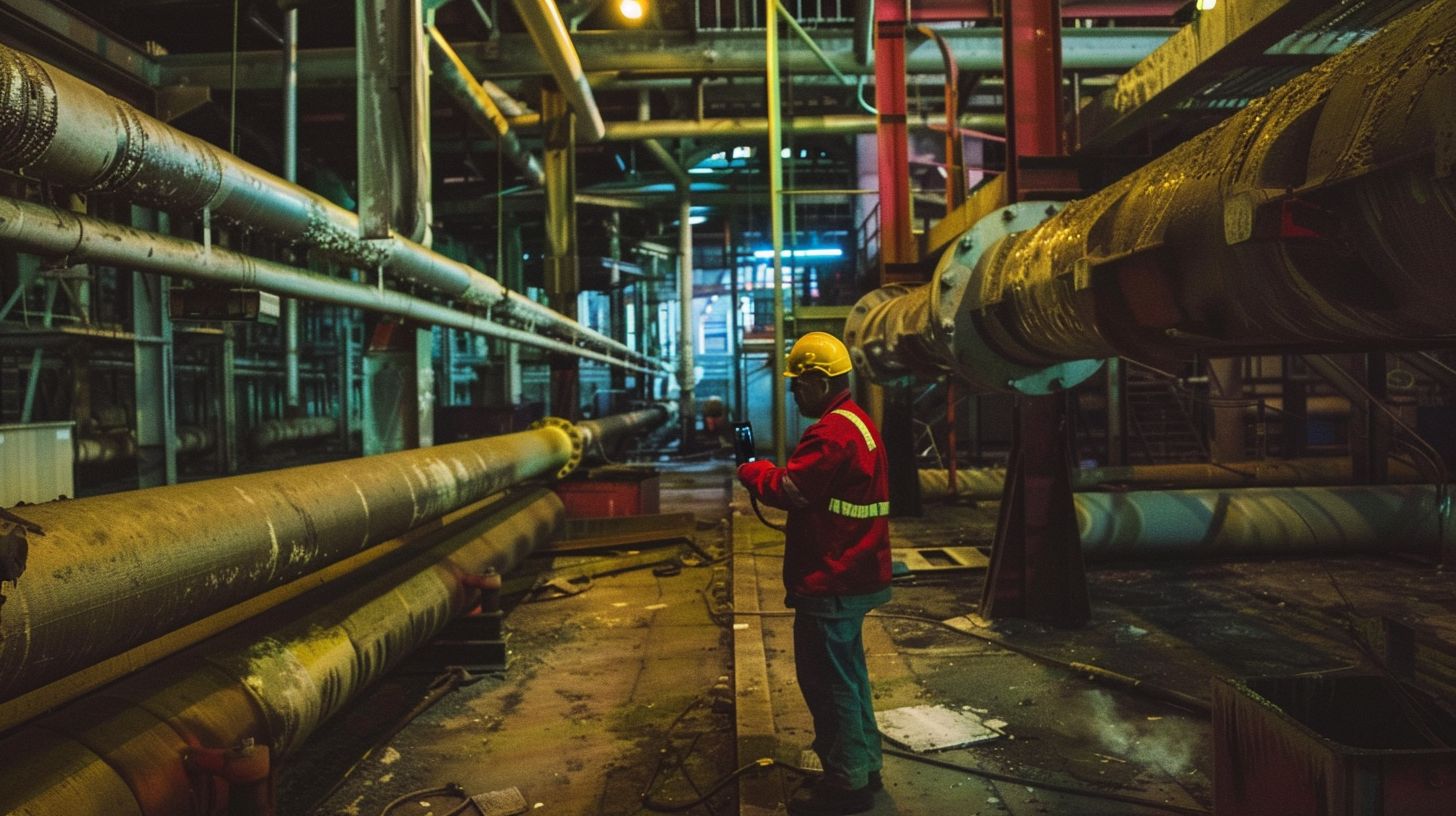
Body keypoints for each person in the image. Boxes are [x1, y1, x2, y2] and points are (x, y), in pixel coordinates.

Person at [737, 331, 892, 815]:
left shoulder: (831, 432)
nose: (793, 393)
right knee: (848, 676)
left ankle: (847, 783)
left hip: (833, 576)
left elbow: (791, 489)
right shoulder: (858, 422)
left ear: (820, 383)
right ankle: (863, 763)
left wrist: (751, 469)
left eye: (798, 384)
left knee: (828, 682)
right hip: (856, 572)